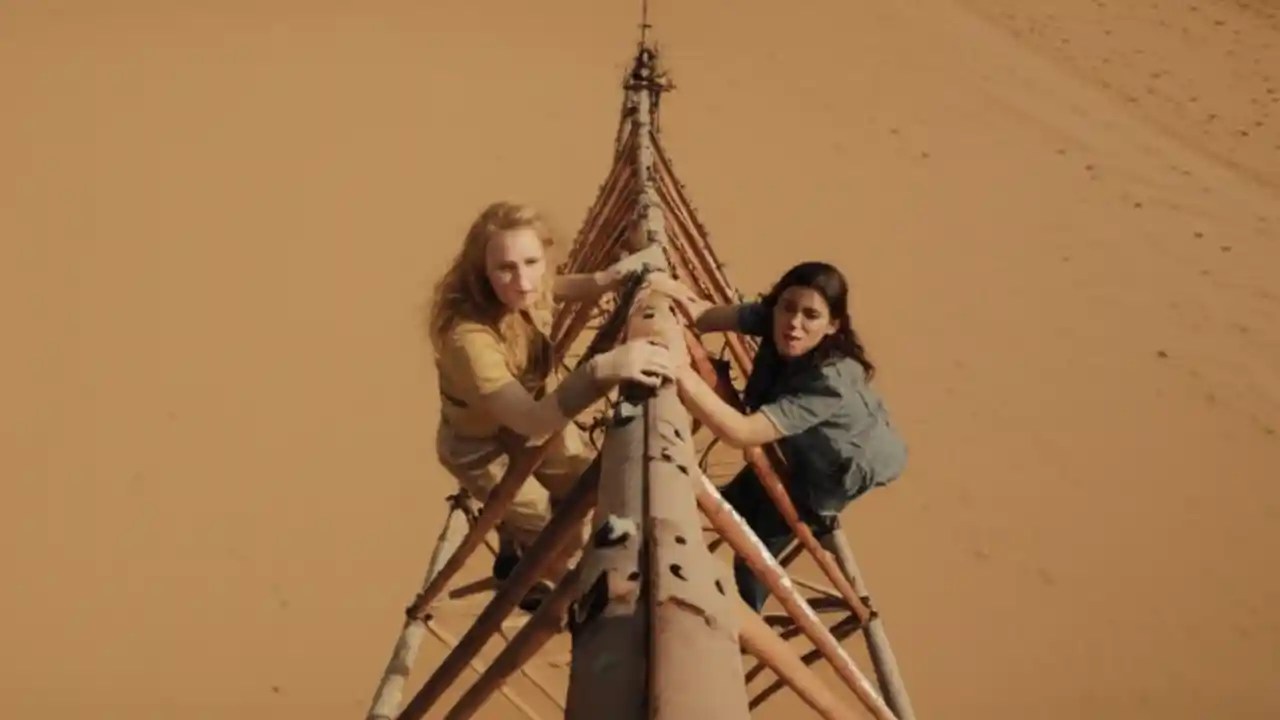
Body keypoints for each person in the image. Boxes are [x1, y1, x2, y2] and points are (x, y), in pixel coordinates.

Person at [426, 200, 674, 608]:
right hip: (482, 446)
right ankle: (559, 590)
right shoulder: (469, 339)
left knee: (582, 484)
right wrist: (603, 369)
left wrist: (614, 277)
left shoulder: (527, 288)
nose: (523, 282)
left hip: (534, 413)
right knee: (549, 525)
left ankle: (515, 542)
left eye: (531, 262)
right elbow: (530, 420)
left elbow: (556, 287)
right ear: (482, 273)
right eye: (505, 268)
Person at [647, 261, 908, 612]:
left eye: (811, 315)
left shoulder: (828, 383)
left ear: (832, 325)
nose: (794, 324)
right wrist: (661, 295)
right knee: (730, 505)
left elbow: (741, 432)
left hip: (828, 473)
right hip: (791, 448)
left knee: (753, 558)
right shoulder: (773, 319)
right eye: (788, 308)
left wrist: (677, 369)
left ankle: (743, 626)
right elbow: (705, 316)